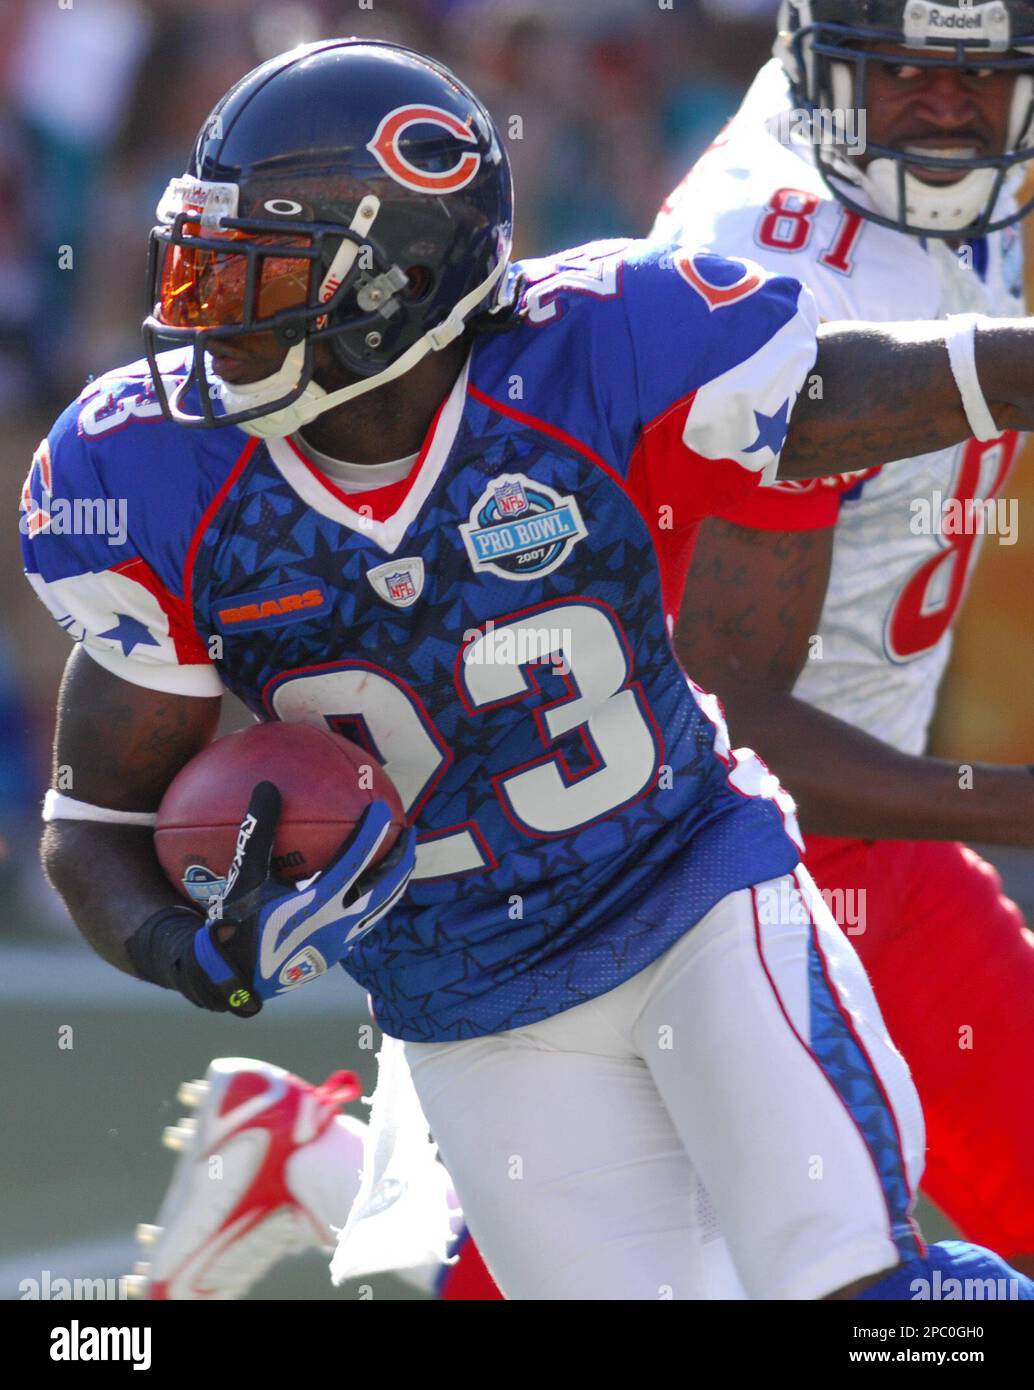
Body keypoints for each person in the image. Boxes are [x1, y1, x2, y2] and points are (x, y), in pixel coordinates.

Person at [22, 37, 1034, 1300]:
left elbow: (840, 388)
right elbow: (95, 818)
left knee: (858, 1293)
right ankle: (306, 1161)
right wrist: (186, 947)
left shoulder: (595, 347)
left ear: (394, 278)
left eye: (254, 279)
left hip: (694, 896)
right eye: (201, 270)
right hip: (466, 998)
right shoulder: (154, 475)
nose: (203, 321)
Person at [654, 0, 1034, 1277]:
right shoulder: (776, 283)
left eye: (981, 75)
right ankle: (317, 1157)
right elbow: (715, 716)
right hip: (683, 866)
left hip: (878, 831)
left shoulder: (976, 186)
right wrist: (1008, 799)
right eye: (907, 70)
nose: (947, 106)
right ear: (821, 73)